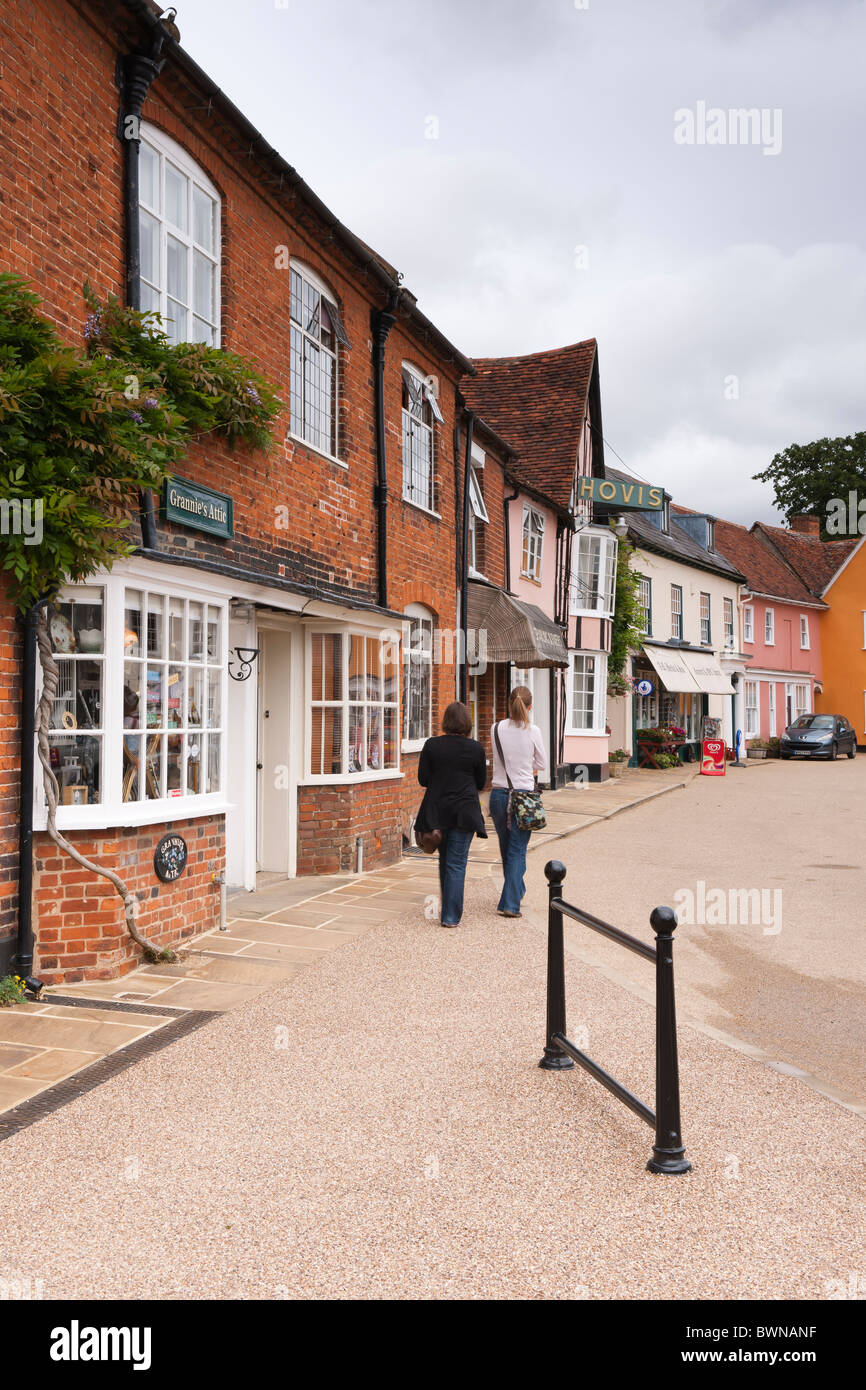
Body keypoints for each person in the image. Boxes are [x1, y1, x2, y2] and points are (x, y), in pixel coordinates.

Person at [416, 701, 487, 928]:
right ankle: (450, 916)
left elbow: (423, 779)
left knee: (445, 860)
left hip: (437, 810)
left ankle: (448, 910)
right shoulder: (475, 748)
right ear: (467, 723)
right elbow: (481, 782)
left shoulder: (432, 745)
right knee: (456, 863)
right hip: (464, 811)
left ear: (445, 721)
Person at [490, 686, 546, 918]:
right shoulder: (533, 731)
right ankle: (510, 904)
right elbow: (541, 763)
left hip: (498, 795)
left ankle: (516, 889)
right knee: (517, 850)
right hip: (523, 797)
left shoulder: (496, 728)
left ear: (509, 703)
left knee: (507, 848)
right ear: (530, 706)